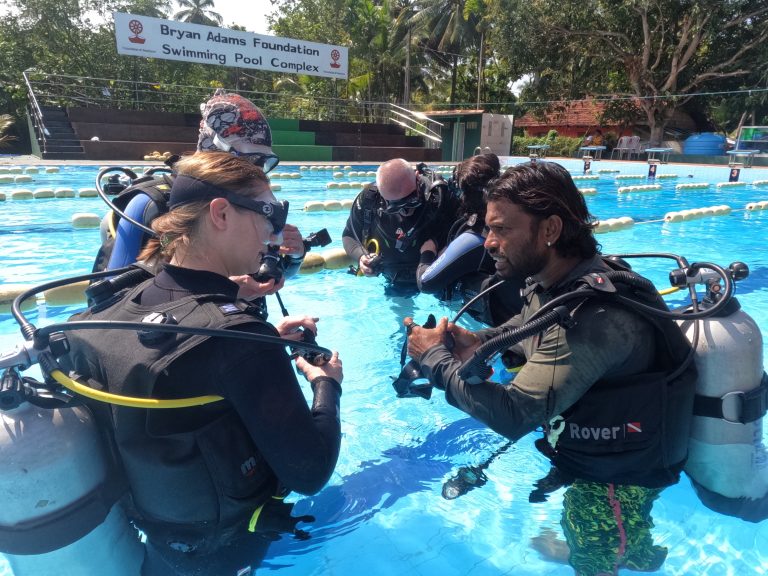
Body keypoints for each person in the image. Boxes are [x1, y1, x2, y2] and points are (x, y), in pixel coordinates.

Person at [404, 161, 696, 576]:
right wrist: (477, 341)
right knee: (614, 537)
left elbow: (514, 415)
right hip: (594, 455)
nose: (488, 242)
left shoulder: (595, 316)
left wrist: (435, 360)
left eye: (501, 229)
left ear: (550, 230)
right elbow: (522, 331)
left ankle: (608, 553)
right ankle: (632, 548)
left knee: (593, 564)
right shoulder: (557, 282)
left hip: (614, 481)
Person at [60, 152, 343, 576]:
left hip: (157, 542)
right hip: (228, 552)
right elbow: (310, 471)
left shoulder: (115, 307)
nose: (273, 233)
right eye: (268, 214)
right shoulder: (239, 341)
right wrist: (326, 384)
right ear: (221, 213)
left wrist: (261, 335)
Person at [92, 89, 306, 302]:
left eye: (264, 163)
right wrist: (226, 290)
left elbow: (270, 272)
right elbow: (113, 301)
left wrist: (295, 256)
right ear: (214, 147)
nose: (256, 170)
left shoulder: (250, 202)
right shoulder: (149, 204)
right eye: (250, 160)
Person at [416, 153, 523, 326]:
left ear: (465, 194)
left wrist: (426, 253)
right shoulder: (513, 219)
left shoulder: (474, 238)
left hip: (495, 324)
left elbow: (426, 282)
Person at [342, 158, 456, 292]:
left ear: (417, 177)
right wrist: (362, 257)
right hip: (393, 279)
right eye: (394, 207)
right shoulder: (369, 201)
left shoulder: (441, 198)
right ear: (381, 194)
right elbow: (349, 235)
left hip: (438, 278)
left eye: (412, 201)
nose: (405, 211)